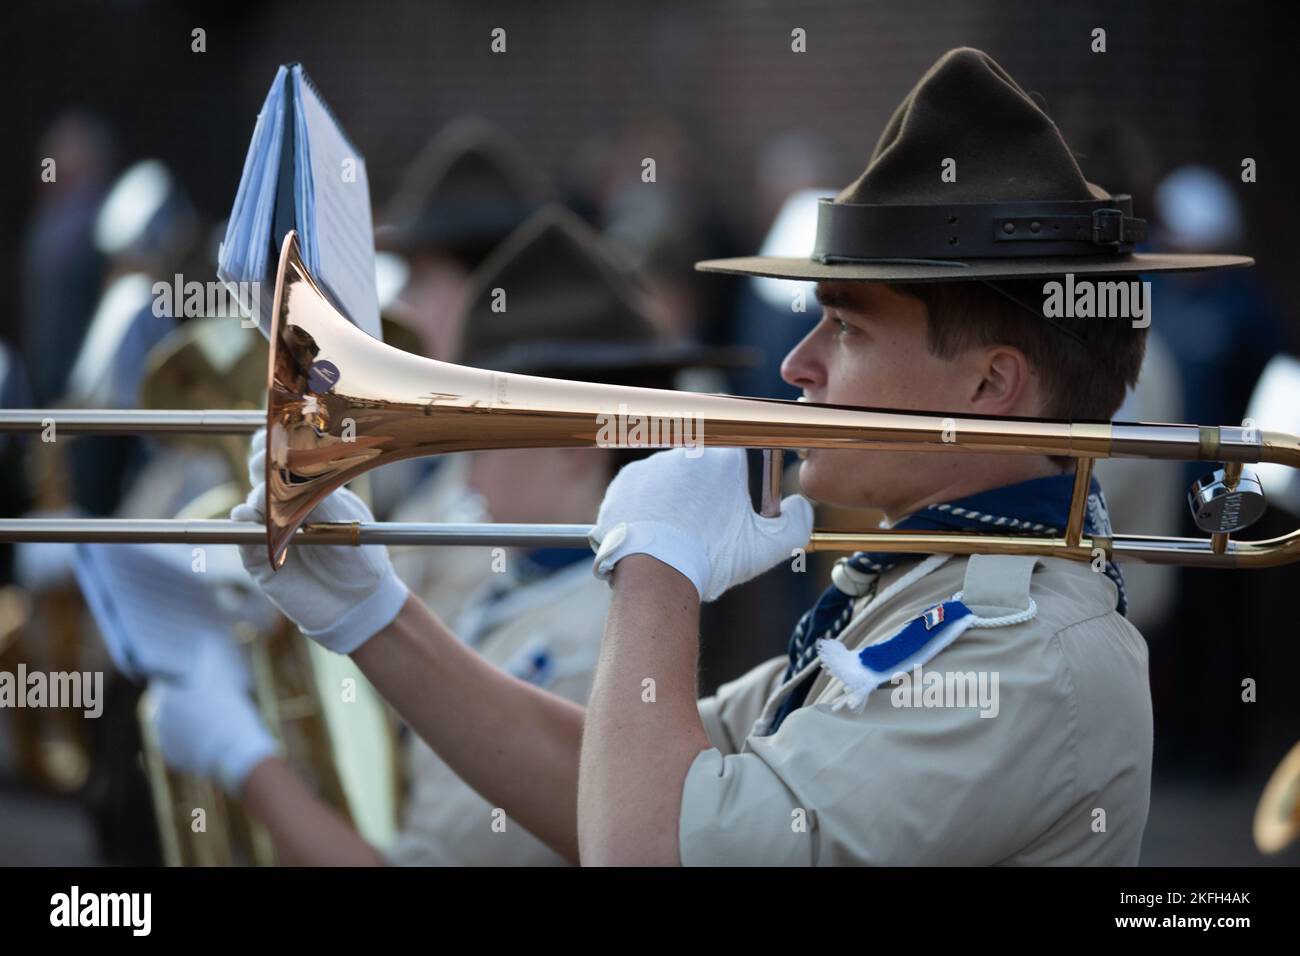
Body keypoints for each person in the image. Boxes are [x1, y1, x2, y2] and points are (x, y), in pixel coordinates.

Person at [229, 48, 1253, 865]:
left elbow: (648, 850)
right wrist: (374, 616)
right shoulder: (926, 585)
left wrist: (656, 569)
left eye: (846, 329)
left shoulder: (1025, 659)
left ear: (988, 387)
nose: (799, 363)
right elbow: (611, 784)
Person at [146, 206, 737, 865]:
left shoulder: (595, 641)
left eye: (482, 440)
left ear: (574, 446)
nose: (470, 481)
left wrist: (247, 762)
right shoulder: (518, 585)